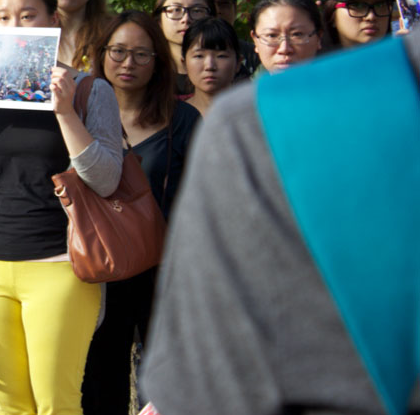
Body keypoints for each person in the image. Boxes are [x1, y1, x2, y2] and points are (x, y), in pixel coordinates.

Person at [140, 22, 420, 415]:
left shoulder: (259, 122)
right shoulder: (257, 124)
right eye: (272, 35)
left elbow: (208, 386)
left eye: (297, 34)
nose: (285, 47)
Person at [0, 0, 123, 415]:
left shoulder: (87, 90)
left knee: (56, 404)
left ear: (52, 22)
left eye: (27, 16)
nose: (14, 28)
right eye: (3, 17)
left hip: (59, 268)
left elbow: (107, 178)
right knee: (9, 405)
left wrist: (64, 113)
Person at [80, 11, 200, 415]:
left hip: (165, 270)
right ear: (101, 55)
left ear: (158, 61)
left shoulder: (182, 120)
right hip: (100, 269)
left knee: (165, 387)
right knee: (100, 380)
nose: (128, 63)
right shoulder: (82, 117)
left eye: (141, 55)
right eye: (118, 52)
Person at [151, 0, 216, 97]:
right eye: (176, 10)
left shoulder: (226, 70)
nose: (186, 19)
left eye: (196, 11)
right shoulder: (148, 72)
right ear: (159, 20)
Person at [197, 0, 258, 78]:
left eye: (224, 3)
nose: (217, 10)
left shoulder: (255, 57)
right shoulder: (173, 60)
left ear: (235, 9)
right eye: (209, 4)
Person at [249, 0, 322, 74]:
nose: (284, 49)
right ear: (255, 40)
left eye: (297, 34)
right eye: (272, 35)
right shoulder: (240, 87)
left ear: (318, 37)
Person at [180, 18, 241, 117]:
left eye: (221, 56)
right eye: (199, 56)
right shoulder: (171, 115)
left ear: (238, 63)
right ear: (184, 63)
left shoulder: (257, 113)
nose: (209, 66)